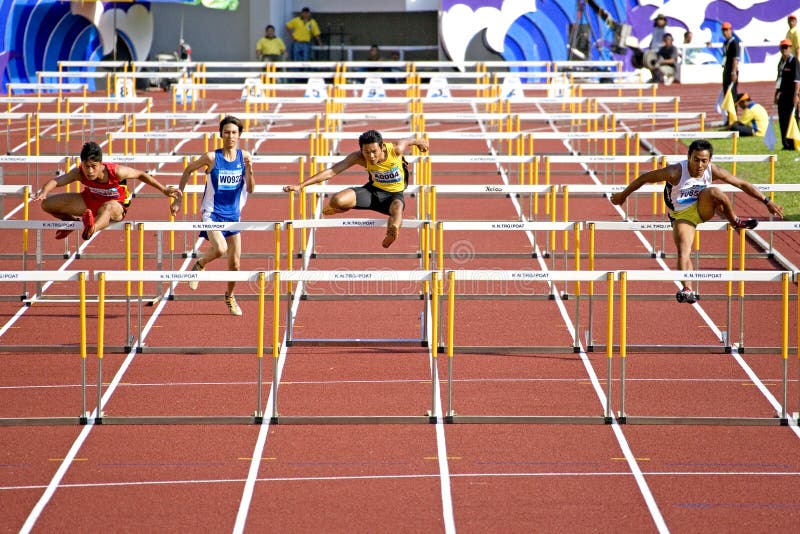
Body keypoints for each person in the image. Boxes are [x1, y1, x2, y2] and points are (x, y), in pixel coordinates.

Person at [610, 139, 783, 304]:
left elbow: (741, 184)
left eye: (704, 161)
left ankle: (735, 222)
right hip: (681, 215)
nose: (699, 165)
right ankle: (687, 289)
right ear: (689, 157)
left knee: (716, 192)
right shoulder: (675, 172)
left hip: (703, 207)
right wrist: (622, 195)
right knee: (684, 250)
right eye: (696, 160)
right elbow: (644, 178)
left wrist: (767, 201)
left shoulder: (712, 170)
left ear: (709, 160)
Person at [282, 130, 429, 248]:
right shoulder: (358, 157)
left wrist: (421, 142)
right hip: (372, 191)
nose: (371, 156)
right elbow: (332, 172)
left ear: (382, 147)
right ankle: (340, 208)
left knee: (397, 209)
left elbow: (410, 140)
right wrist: (301, 185)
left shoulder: (395, 149)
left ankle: (392, 232)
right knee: (337, 200)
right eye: (366, 152)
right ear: (361, 150)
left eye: (374, 151)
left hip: (393, 196)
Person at [170, 116, 254, 316]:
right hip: (213, 214)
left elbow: (251, 189)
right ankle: (200, 264)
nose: (230, 136)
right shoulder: (211, 157)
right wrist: (178, 199)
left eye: (234, 133)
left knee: (235, 265)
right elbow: (188, 170)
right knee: (221, 248)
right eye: (227, 132)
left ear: (239, 135)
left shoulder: (244, 157)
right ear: (221, 134)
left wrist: (250, 170)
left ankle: (230, 296)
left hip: (233, 216)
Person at [31, 141, 180, 241]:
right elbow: (57, 181)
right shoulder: (79, 172)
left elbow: (141, 174)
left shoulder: (117, 171)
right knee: (47, 204)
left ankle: (91, 229)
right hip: (90, 201)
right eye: (86, 166)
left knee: (108, 206)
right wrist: (44, 192)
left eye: (93, 166)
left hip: (116, 206)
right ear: (82, 163)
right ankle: (70, 221)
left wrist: (164, 189)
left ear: (100, 164)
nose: (90, 171)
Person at [775, 38, 800, 150]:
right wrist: (776, 93)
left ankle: (794, 143)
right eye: (782, 47)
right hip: (783, 95)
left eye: (786, 47)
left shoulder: (794, 62)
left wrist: (796, 95)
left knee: (792, 118)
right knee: (783, 119)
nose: (784, 49)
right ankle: (785, 144)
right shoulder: (781, 62)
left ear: (790, 48)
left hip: (791, 95)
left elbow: (797, 80)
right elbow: (779, 79)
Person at [721, 21, 739, 98]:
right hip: (726, 69)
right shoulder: (725, 43)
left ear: (730, 30)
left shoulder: (734, 43)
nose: (725, 32)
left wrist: (733, 72)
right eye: (723, 30)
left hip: (731, 71)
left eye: (726, 30)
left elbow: (735, 59)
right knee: (726, 93)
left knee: (732, 94)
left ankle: (734, 108)